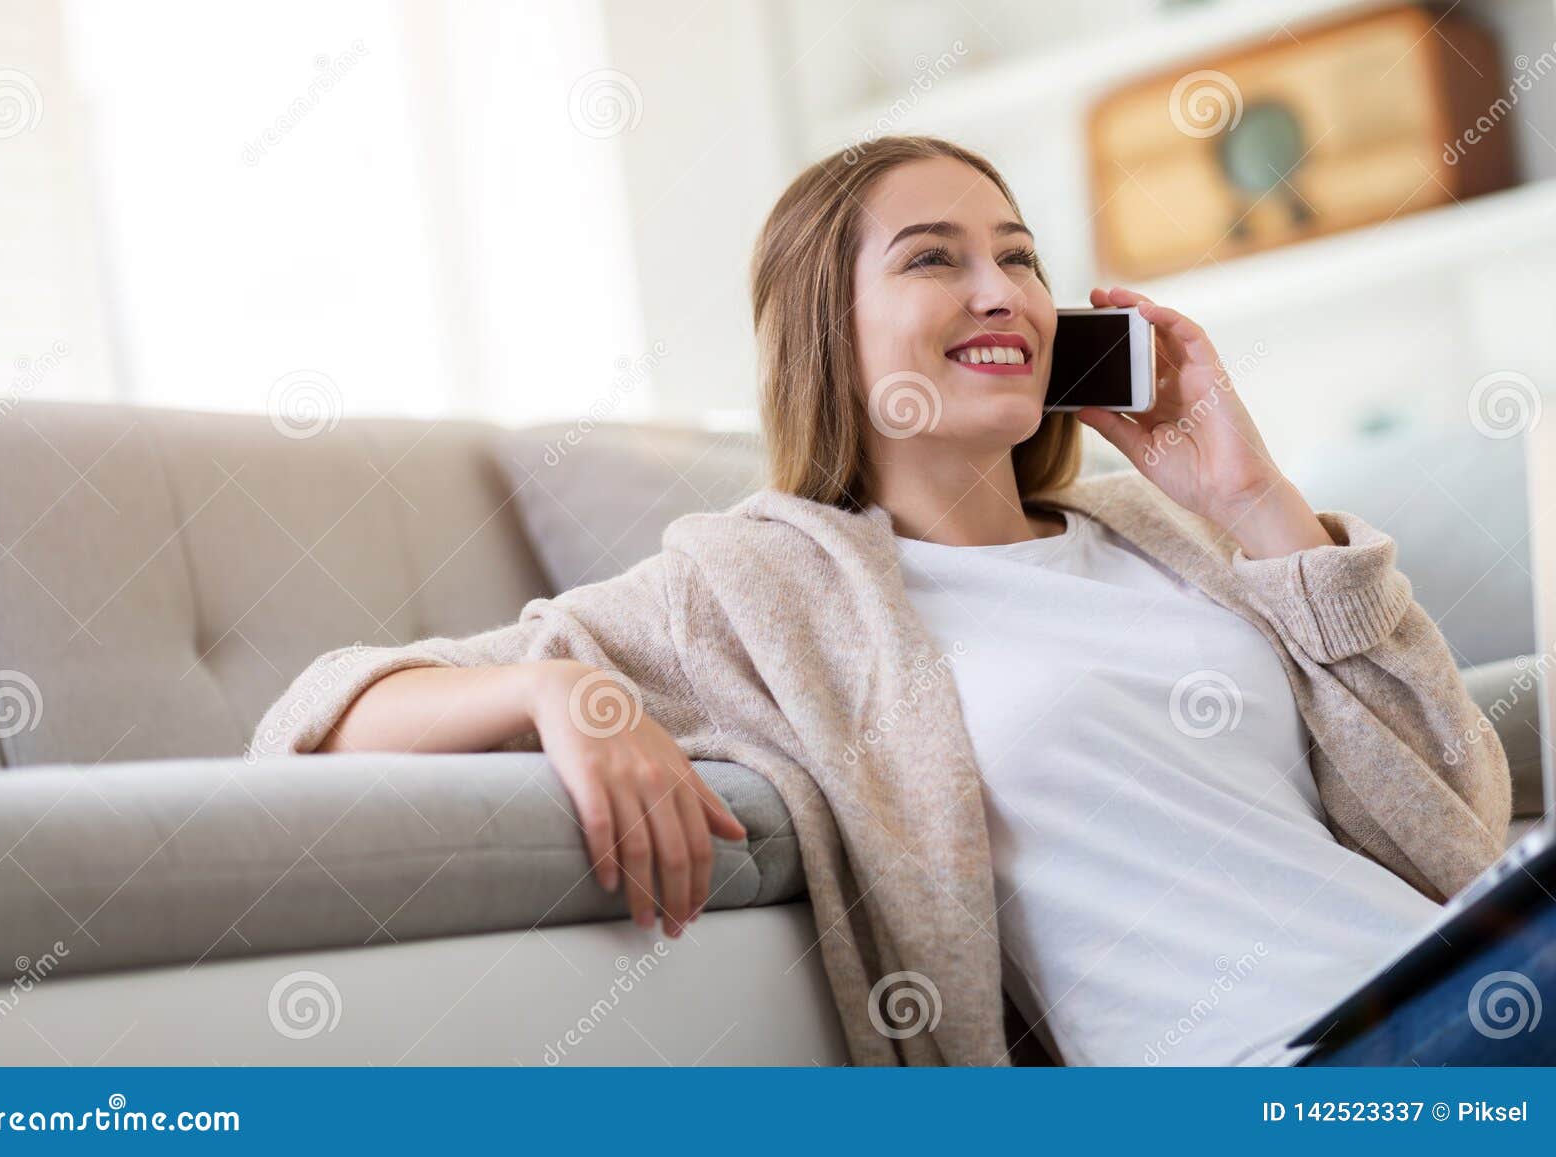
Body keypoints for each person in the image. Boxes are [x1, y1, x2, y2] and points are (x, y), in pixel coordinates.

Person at [253, 135, 1515, 1066]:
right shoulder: (760, 588)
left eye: (1019, 258)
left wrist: (1250, 501)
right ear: (829, 332)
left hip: (1456, 981)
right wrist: (554, 687)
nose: (1003, 292)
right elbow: (313, 719)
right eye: (936, 260)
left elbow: (1449, 813)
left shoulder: (1156, 535)